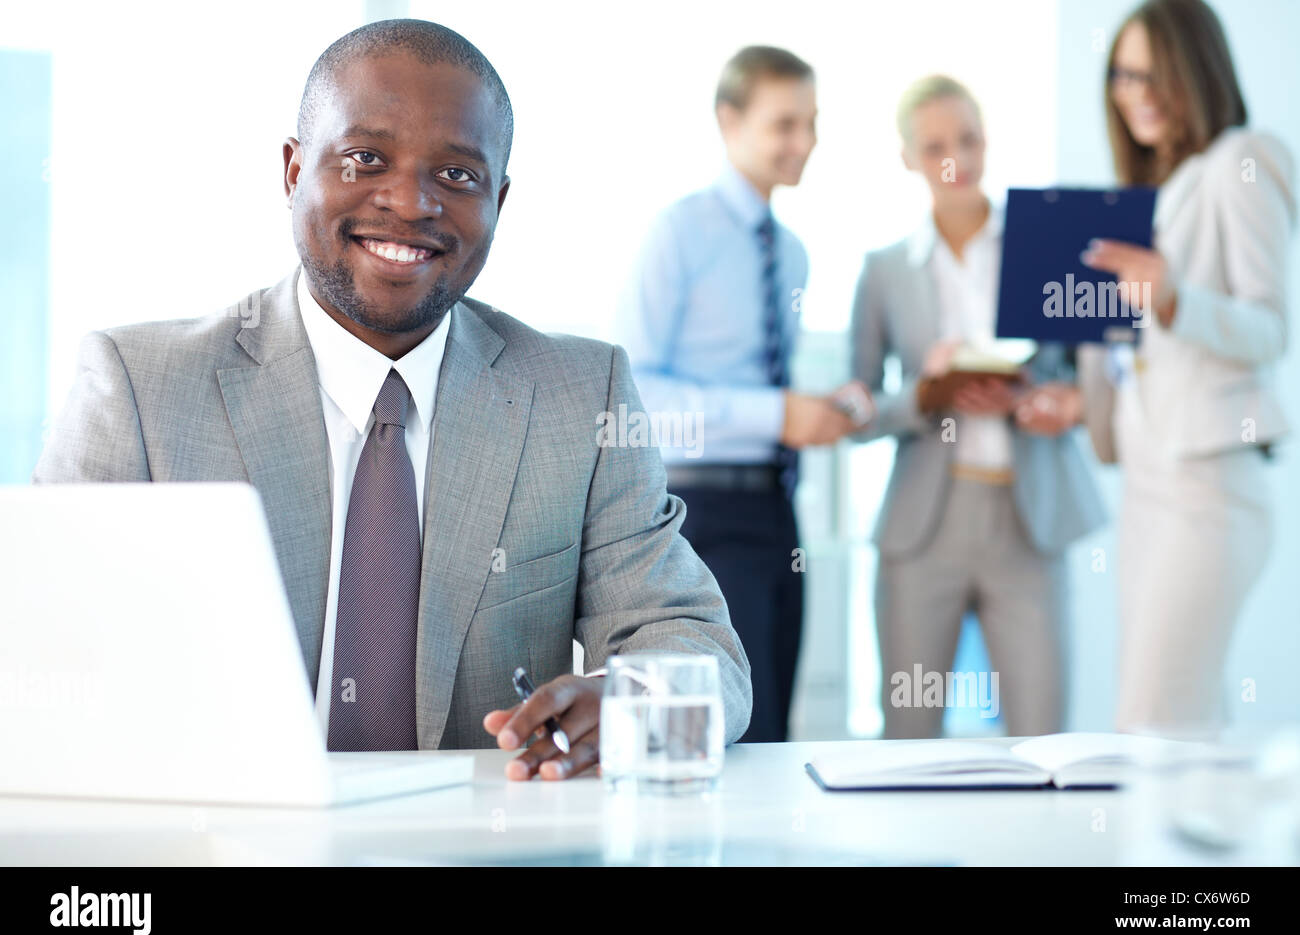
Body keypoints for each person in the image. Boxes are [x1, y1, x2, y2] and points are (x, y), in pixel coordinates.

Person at [31, 18, 752, 780]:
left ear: (499, 200)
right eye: (366, 158)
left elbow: (694, 647)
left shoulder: (580, 396)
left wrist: (629, 701)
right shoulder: (139, 388)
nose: (410, 203)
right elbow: (41, 656)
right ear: (292, 171)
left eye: (457, 176)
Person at [617, 46, 865, 743]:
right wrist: (778, 416)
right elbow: (637, 399)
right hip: (702, 518)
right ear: (729, 122)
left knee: (777, 720)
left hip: (776, 512)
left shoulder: (792, 253)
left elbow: (761, 381)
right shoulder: (679, 233)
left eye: (812, 123)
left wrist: (817, 408)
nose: (804, 143)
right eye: (785, 124)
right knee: (729, 730)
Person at [850, 75, 1106, 738]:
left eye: (967, 139)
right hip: (924, 528)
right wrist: (925, 394)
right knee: (907, 735)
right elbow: (860, 410)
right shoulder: (884, 270)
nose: (953, 158)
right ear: (906, 157)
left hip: (1030, 518)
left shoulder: (1047, 243)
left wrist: (1035, 397)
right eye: (933, 145)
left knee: (1046, 737)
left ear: (987, 141)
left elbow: (1085, 379)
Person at [1075, 0, 1294, 738]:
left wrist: (1172, 299)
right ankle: (1206, 851)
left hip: (1211, 491)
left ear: (1192, 70)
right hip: (1148, 487)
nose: (1134, 90)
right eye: (1122, 74)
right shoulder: (1153, 194)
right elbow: (1150, 365)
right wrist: (1079, 400)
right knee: (1182, 720)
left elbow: (1270, 327)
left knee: (1155, 720)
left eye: (1151, 72)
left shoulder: (1240, 158)